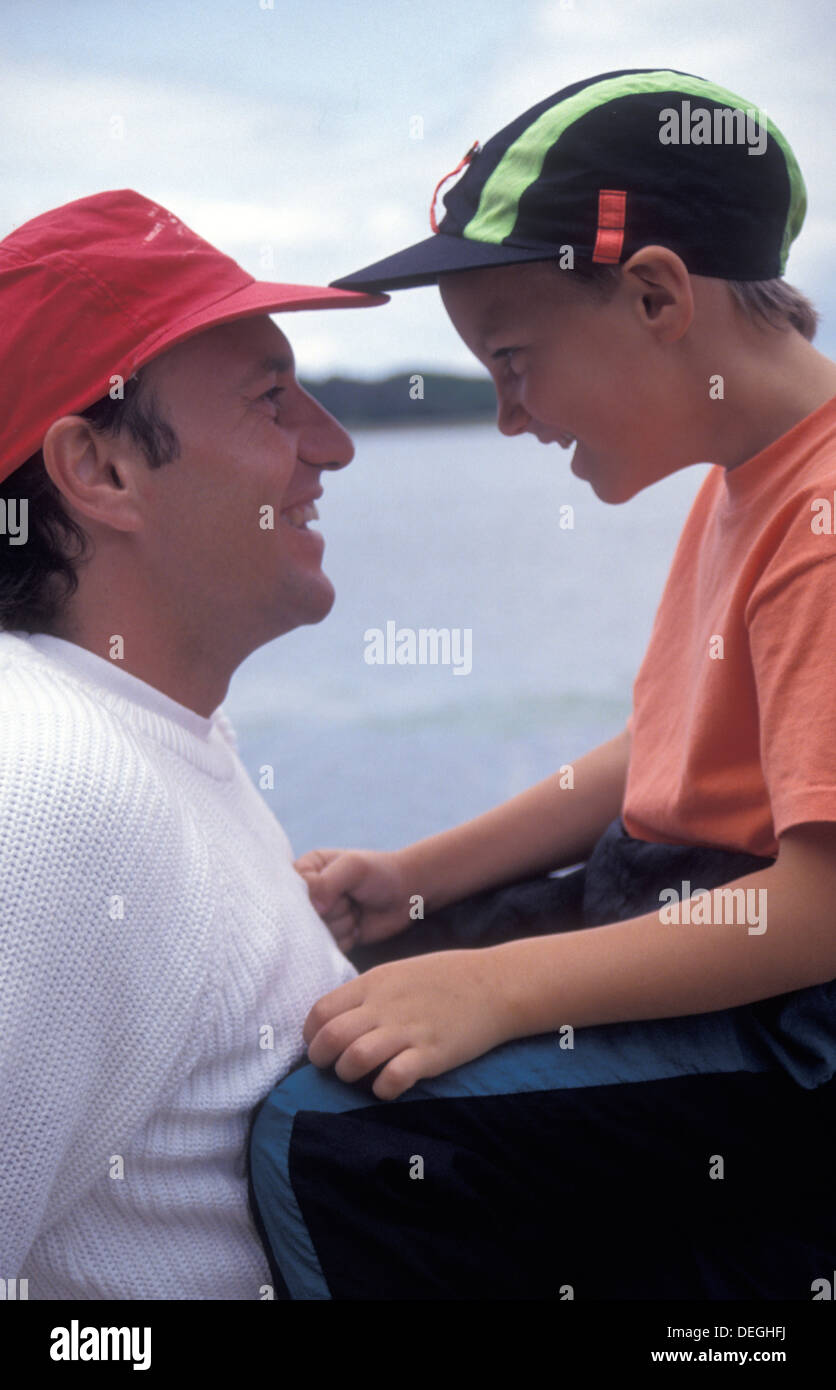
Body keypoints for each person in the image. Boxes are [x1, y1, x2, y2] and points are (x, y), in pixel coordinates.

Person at [248, 68, 836, 1300]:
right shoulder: (751, 476)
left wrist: (498, 984)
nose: (509, 418)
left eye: (513, 362)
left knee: (333, 1135)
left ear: (656, 293)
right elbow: (660, 749)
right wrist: (417, 883)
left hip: (778, 1024)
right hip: (669, 911)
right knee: (334, 999)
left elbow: (819, 908)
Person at [0, 188, 389, 1299]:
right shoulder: (48, 789)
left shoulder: (150, 736)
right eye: (272, 401)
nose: (334, 443)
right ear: (101, 472)